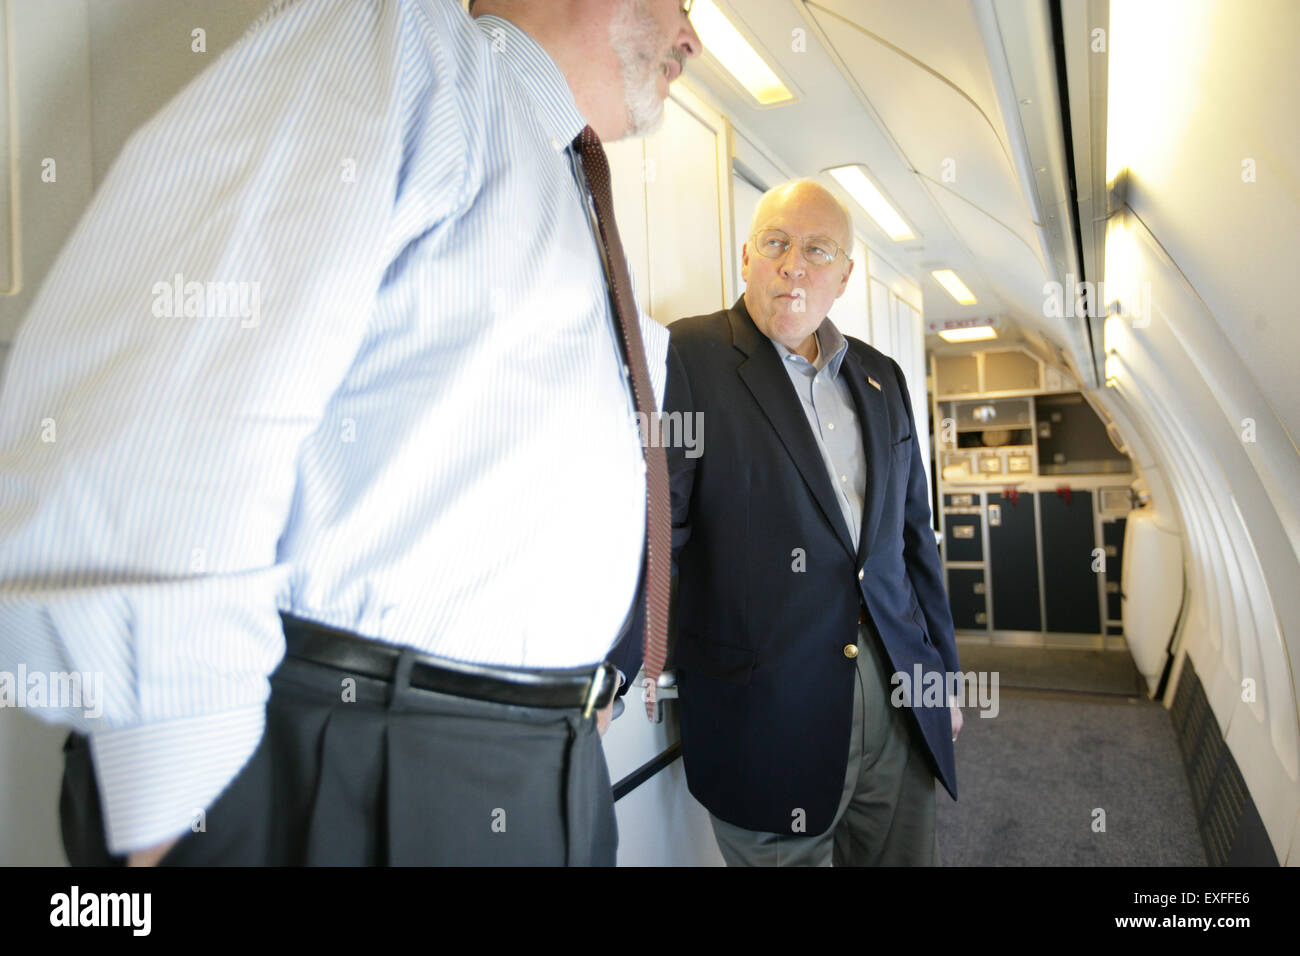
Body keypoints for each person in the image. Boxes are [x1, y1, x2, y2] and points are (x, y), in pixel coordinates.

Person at [0, 0, 700, 866]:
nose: (691, 39)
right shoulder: (399, 49)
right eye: (685, 3)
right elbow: (158, 404)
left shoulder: (576, 196)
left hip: (547, 772)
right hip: (348, 772)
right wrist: (174, 812)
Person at [664, 179, 963, 866]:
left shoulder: (882, 376)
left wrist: (939, 674)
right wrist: (627, 664)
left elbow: (913, 543)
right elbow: (661, 531)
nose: (793, 264)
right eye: (776, 243)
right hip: (765, 704)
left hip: (894, 689)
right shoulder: (689, 356)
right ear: (747, 257)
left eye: (816, 249)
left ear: (844, 275)